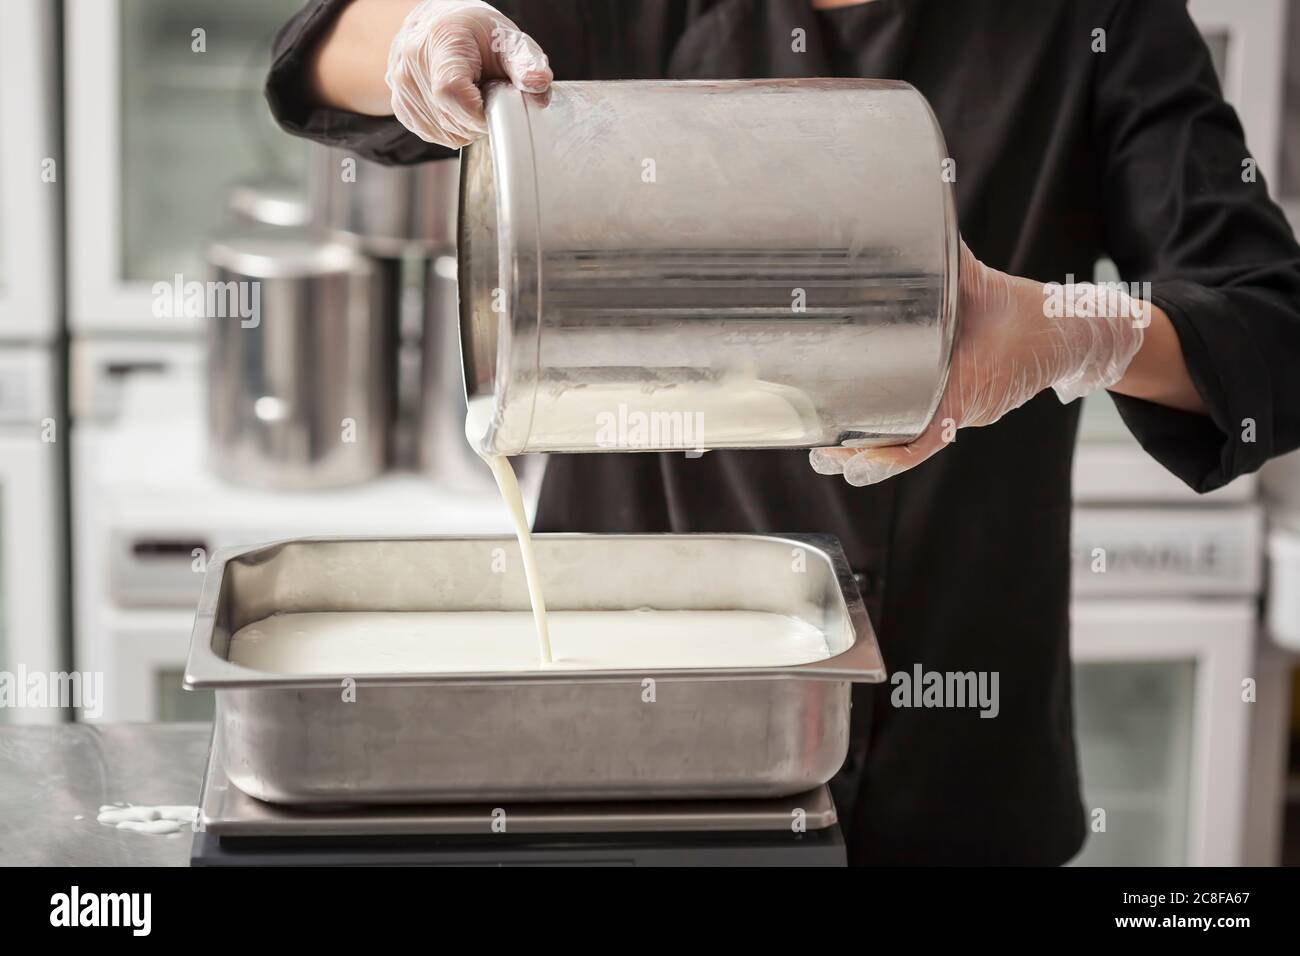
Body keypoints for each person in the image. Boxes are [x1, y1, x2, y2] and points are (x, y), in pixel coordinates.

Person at [266, 0, 1300, 864]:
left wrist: (1070, 332)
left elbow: (1274, 331)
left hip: (958, 739)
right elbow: (315, 54)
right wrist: (418, 38)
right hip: (628, 726)